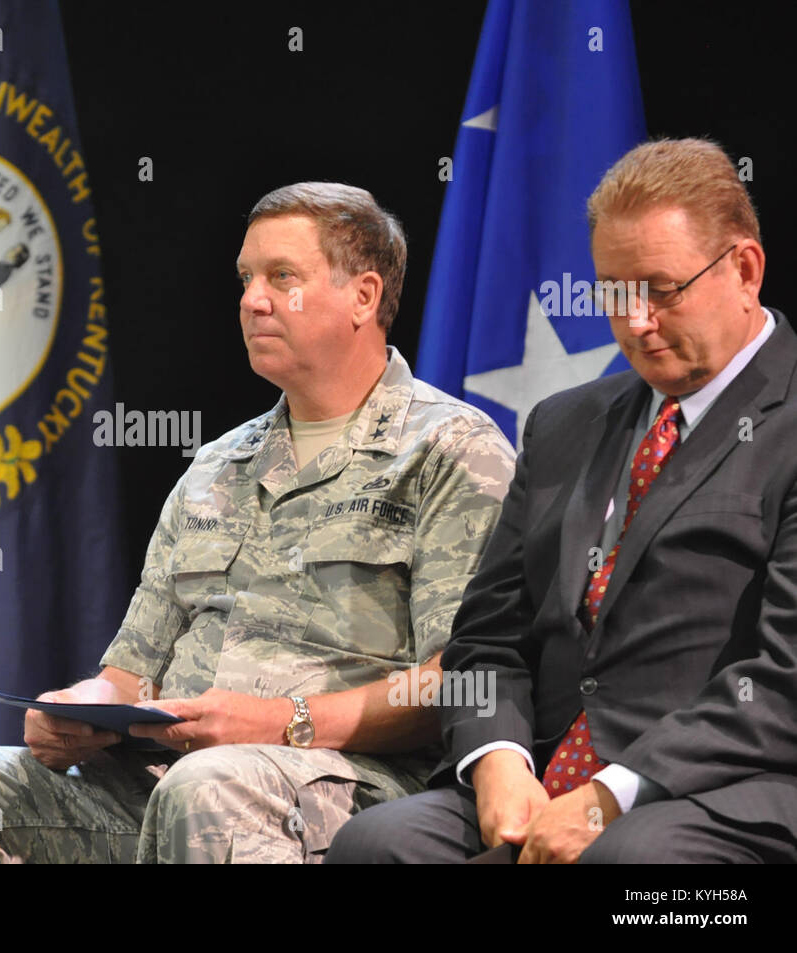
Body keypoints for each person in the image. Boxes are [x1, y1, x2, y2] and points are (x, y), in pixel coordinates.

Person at [0, 182, 515, 863]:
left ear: (364, 296)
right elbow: (128, 673)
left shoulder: (451, 450)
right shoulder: (215, 466)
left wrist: (281, 722)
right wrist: (79, 709)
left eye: (281, 277)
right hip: (166, 782)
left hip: (352, 787)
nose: (252, 299)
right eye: (245, 278)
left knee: (206, 790)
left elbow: (457, 680)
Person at [327, 138, 797, 864]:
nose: (635, 322)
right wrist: (497, 757)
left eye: (661, 289)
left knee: (627, 860)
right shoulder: (565, 422)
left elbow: (783, 677)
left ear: (744, 269)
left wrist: (612, 792)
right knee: (375, 842)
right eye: (614, 291)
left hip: (724, 788)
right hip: (543, 779)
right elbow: (487, 635)